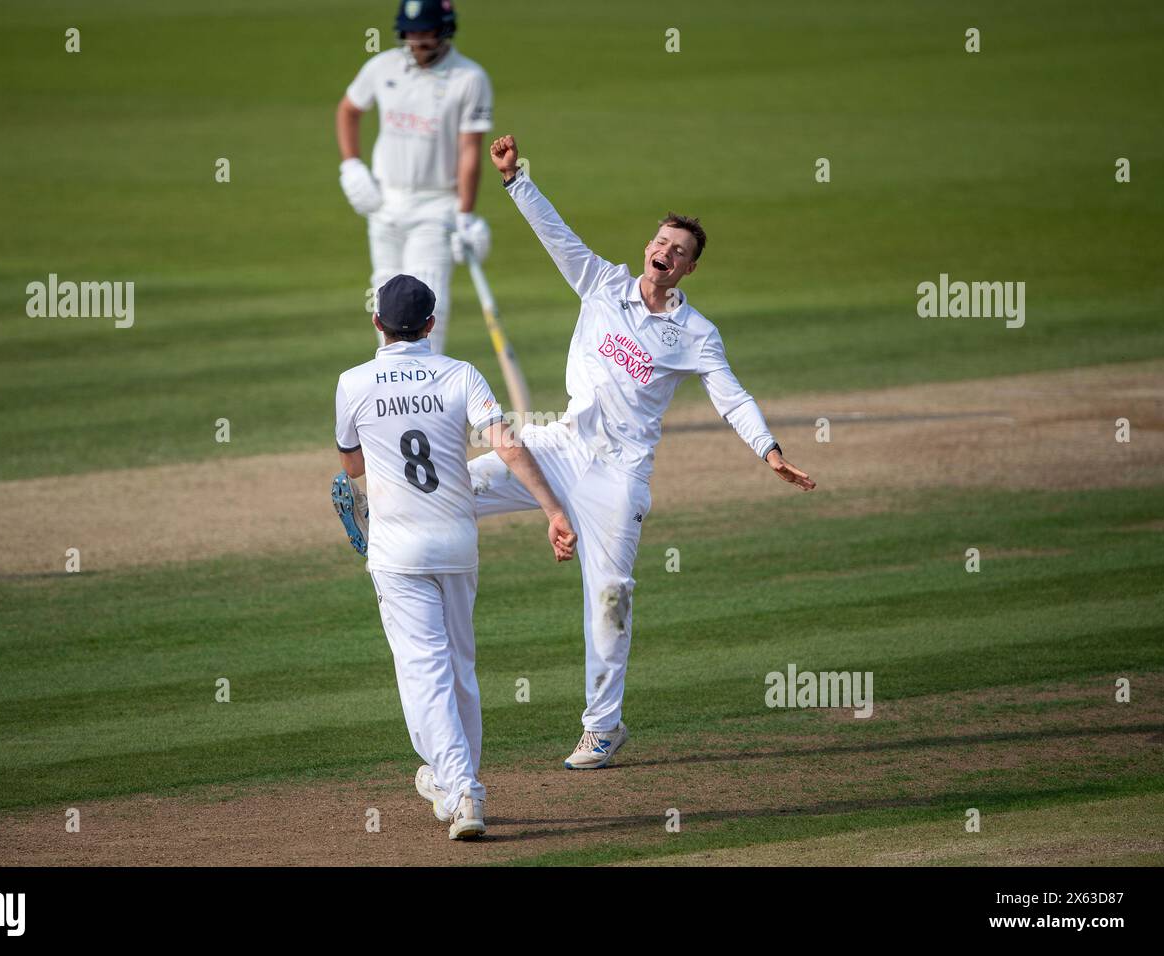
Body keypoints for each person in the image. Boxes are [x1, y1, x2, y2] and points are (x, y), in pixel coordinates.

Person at [467, 134, 817, 770]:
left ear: (689, 269)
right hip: (563, 444)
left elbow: (731, 397)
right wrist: (515, 179)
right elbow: (556, 234)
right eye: (660, 243)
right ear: (648, 249)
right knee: (460, 486)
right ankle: (384, 518)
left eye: (678, 251)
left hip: (619, 479)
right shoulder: (601, 282)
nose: (665, 253)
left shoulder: (696, 333)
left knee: (610, 598)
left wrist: (768, 450)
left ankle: (603, 727)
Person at [333, 274, 576, 839]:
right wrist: (552, 511)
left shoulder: (353, 382)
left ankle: (462, 787)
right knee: (459, 666)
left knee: (423, 668)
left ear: (377, 324)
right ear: (430, 324)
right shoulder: (459, 373)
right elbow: (508, 445)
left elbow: (352, 468)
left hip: (397, 549)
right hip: (458, 542)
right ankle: (452, 780)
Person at [335, 0, 493, 355]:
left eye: (424, 32)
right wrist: (351, 165)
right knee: (386, 301)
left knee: (426, 299)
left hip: (435, 207)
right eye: (410, 33)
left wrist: (465, 214)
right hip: (384, 202)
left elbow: (470, 150)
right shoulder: (382, 67)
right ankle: (395, 396)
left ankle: (431, 398)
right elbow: (349, 109)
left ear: (444, 30)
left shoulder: (469, 78)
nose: (416, 41)